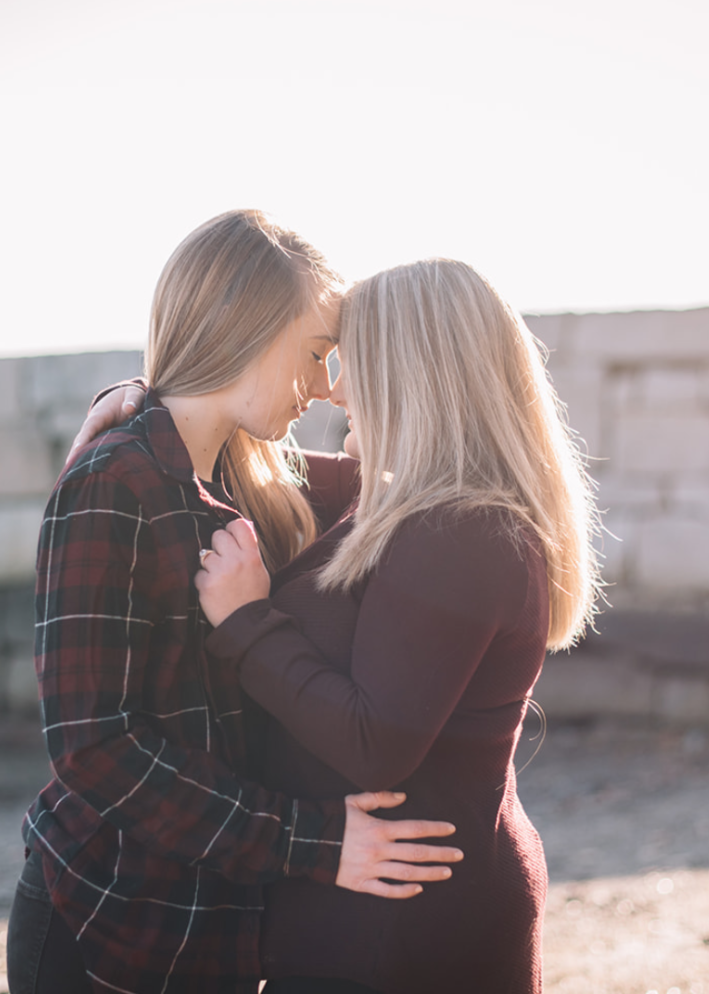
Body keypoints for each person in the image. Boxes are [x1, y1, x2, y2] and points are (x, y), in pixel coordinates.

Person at [11, 210, 465, 994]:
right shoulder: (112, 483)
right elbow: (93, 749)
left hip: (216, 935)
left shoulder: (257, 481)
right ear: (247, 325)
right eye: (316, 352)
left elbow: (425, 481)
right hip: (105, 927)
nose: (325, 387)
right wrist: (315, 842)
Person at [191, 258, 601, 993]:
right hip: (394, 912)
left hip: (407, 932)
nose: (333, 388)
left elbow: (374, 743)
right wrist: (143, 405)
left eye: (351, 361)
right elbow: (243, 458)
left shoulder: (460, 531)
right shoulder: (404, 500)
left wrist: (247, 623)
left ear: (410, 373)